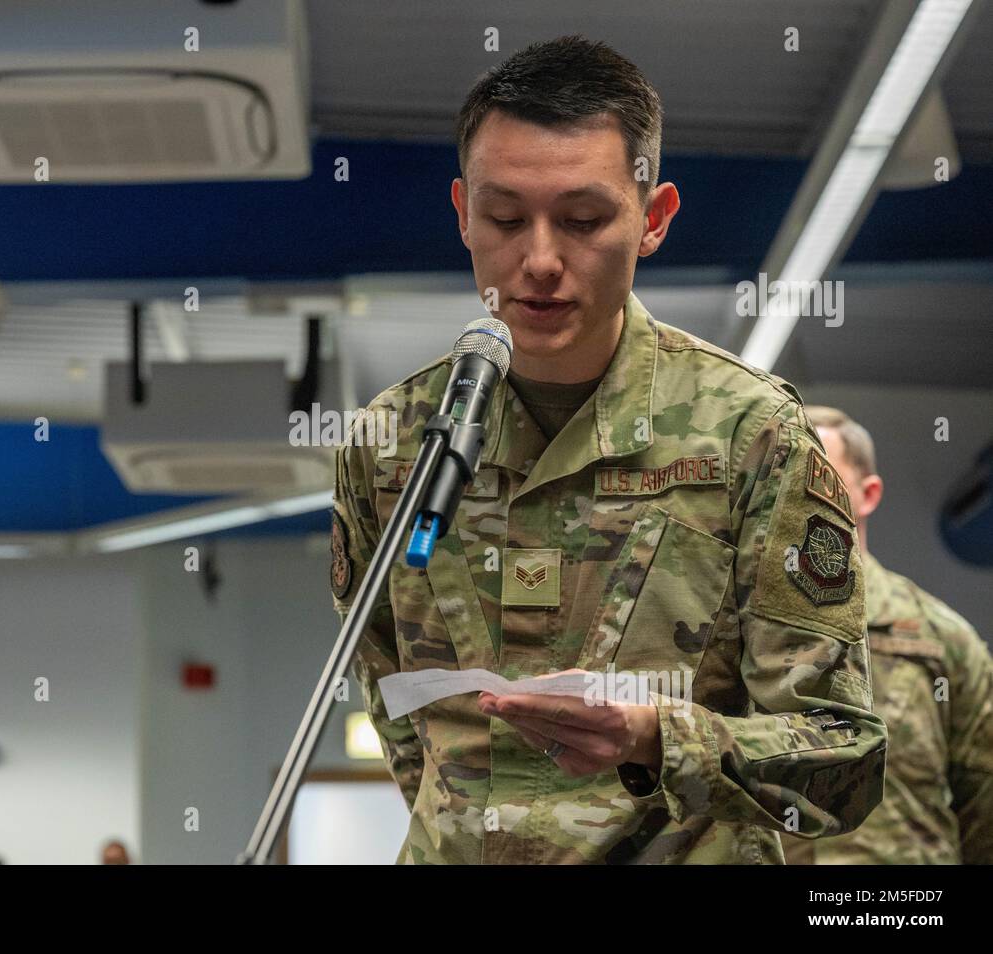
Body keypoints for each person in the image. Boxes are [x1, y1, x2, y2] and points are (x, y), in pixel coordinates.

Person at [330, 35, 886, 864]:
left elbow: (843, 762)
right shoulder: (393, 443)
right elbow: (398, 716)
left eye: (583, 220)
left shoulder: (751, 435)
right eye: (505, 218)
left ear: (653, 218)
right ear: (462, 213)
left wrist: (656, 740)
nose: (540, 260)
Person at [779, 406, 993, 864]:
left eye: (820, 479)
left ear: (868, 494)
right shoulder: (725, 629)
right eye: (776, 478)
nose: (796, 496)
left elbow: (985, 805)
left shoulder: (939, 639)